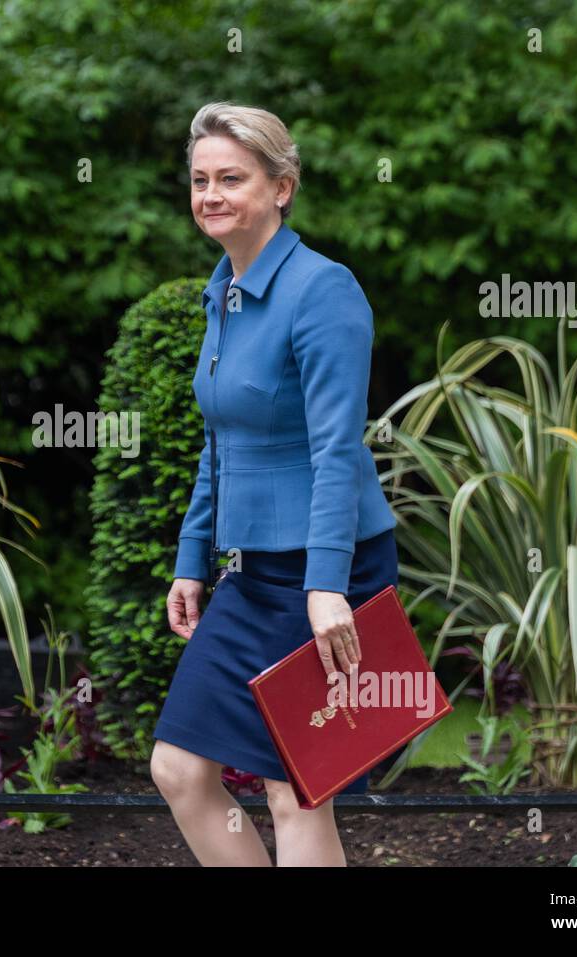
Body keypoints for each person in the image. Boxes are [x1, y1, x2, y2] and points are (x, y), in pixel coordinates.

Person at [151, 101, 399, 866]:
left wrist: (327, 586)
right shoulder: (222, 290)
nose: (211, 195)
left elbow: (335, 449)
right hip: (253, 573)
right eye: (200, 180)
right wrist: (194, 558)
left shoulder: (323, 291)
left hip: (331, 569)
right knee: (179, 768)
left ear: (281, 186)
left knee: (296, 786)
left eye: (232, 177)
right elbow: (219, 438)